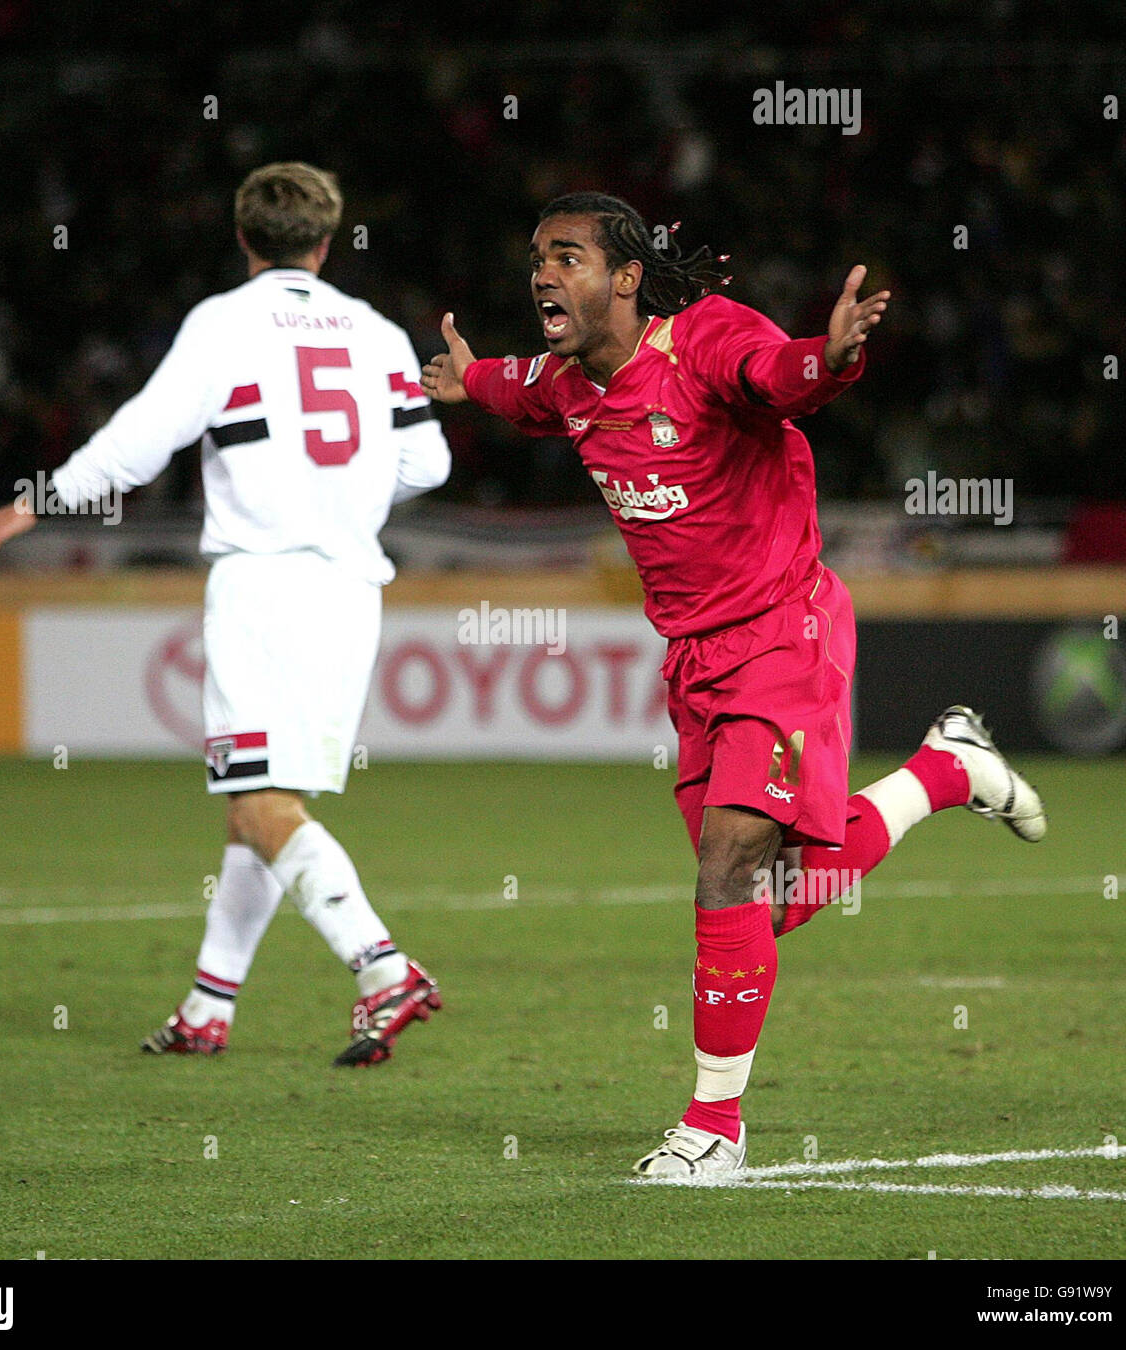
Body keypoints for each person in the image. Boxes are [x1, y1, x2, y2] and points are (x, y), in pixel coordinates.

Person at [420, 192, 1045, 1178]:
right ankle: (943, 772)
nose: (543, 271)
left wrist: (830, 356)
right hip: (696, 663)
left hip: (782, 635)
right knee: (765, 898)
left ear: (626, 277)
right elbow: (515, 388)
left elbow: (778, 374)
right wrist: (467, 381)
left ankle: (713, 1129)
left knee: (725, 866)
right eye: (538, 256)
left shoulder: (704, 341)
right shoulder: (571, 383)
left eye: (568, 256)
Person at [0, 162, 450, 1067]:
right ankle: (207, 1007)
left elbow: (140, 441)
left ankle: (383, 968)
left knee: (258, 799)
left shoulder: (224, 324)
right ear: (327, 238)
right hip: (351, 589)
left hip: (264, 585)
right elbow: (429, 467)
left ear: (243, 236)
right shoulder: (379, 332)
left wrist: (35, 502)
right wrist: (337, 491)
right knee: (262, 804)